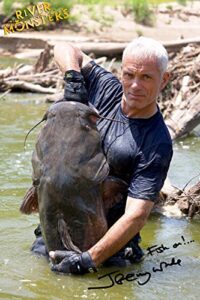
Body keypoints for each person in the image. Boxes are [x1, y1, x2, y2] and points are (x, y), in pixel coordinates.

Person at [46, 37, 173, 274]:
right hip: (58, 227)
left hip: (107, 252)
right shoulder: (107, 88)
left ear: (164, 80)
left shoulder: (157, 143)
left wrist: (87, 260)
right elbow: (64, 47)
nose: (135, 85)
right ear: (121, 72)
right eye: (129, 75)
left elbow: (136, 216)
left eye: (146, 77)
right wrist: (73, 76)